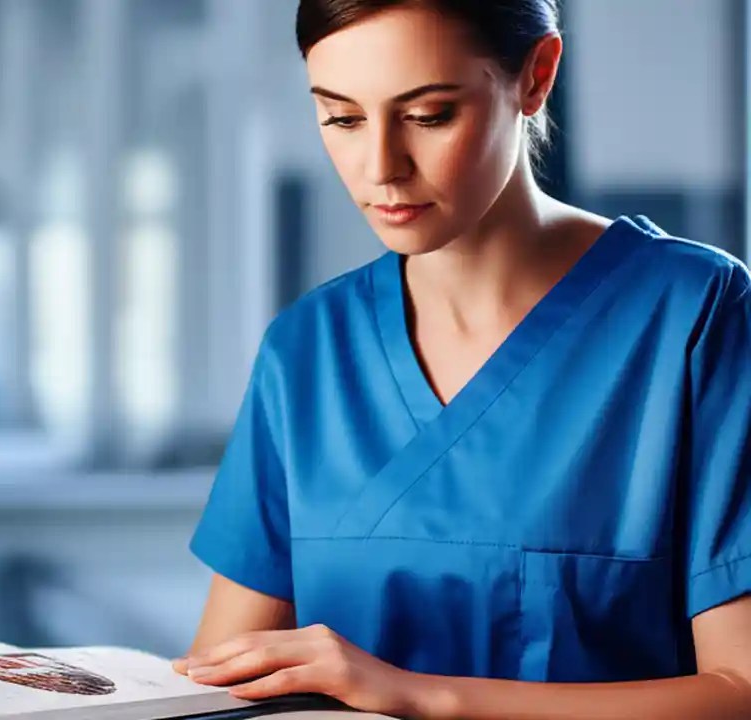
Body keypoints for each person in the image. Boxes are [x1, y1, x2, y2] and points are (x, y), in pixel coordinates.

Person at [173, 1, 751, 718]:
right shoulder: (308, 348)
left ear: (536, 76)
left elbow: (742, 688)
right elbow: (220, 682)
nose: (381, 167)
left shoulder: (694, 313)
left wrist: (420, 697)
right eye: (342, 119)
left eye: (429, 115)